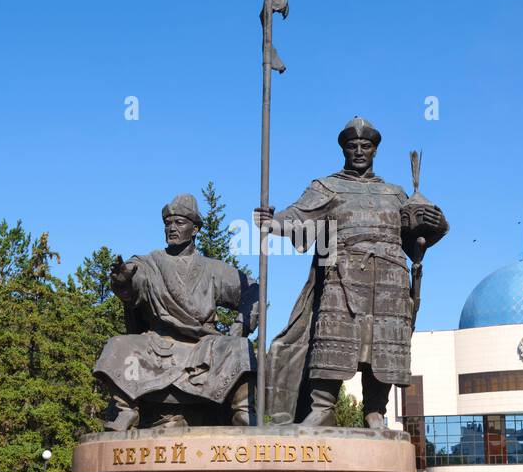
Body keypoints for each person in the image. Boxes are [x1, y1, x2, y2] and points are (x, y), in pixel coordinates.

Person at [256, 117, 447, 427]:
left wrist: (434, 221)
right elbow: (298, 217)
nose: (359, 151)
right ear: (344, 149)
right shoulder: (327, 187)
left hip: (390, 280)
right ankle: (321, 407)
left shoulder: (395, 193)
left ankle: (375, 411)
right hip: (343, 276)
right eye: (353, 146)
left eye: (366, 146)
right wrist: (272, 221)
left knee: (383, 346)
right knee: (333, 340)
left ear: (374, 150)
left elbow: (418, 238)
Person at [94, 193, 257, 429]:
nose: (172, 228)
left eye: (179, 222)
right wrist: (123, 282)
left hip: (204, 346)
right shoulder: (150, 263)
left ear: (195, 229)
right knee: (118, 345)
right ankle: (126, 410)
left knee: (238, 348)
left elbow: (253, 292)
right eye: (168, 223)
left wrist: (240, 326)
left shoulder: (213, 269)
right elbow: (134, 282)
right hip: (159, 343)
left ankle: (243, 414)